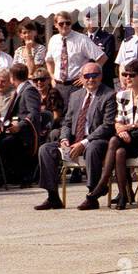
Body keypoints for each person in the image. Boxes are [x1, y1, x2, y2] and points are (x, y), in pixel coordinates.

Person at [33, 61, 114, 210]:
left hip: (96, 141)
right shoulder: (76, 95)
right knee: (45, 149)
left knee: (93, 148)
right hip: (73, 140)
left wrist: (83, 143)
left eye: (94, 75)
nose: (90, 79)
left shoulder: (108, 95)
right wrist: (64, 139)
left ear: (101, 76)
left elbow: (108, 126)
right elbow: (67, 122)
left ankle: (92, 195)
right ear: (81, 78)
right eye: (87, 76)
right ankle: (53, 196)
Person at [83, 58, 138, 209]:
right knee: (119, 152)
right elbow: (117, 121)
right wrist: (120, 130)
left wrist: (131, 126)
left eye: (131, 75)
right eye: (125, 74)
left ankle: (103, 183)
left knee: (115, 143)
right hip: (126, 137)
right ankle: (123, 195)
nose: (127, 78)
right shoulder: (121, 95)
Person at [0, 61, 41, 187]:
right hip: (15, 130)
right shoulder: (20, 90)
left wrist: (18, 126)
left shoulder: (29, 91)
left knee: (5, 142)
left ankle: (17, 175)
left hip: (26, 134)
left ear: (12, 77)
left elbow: (34, 114)